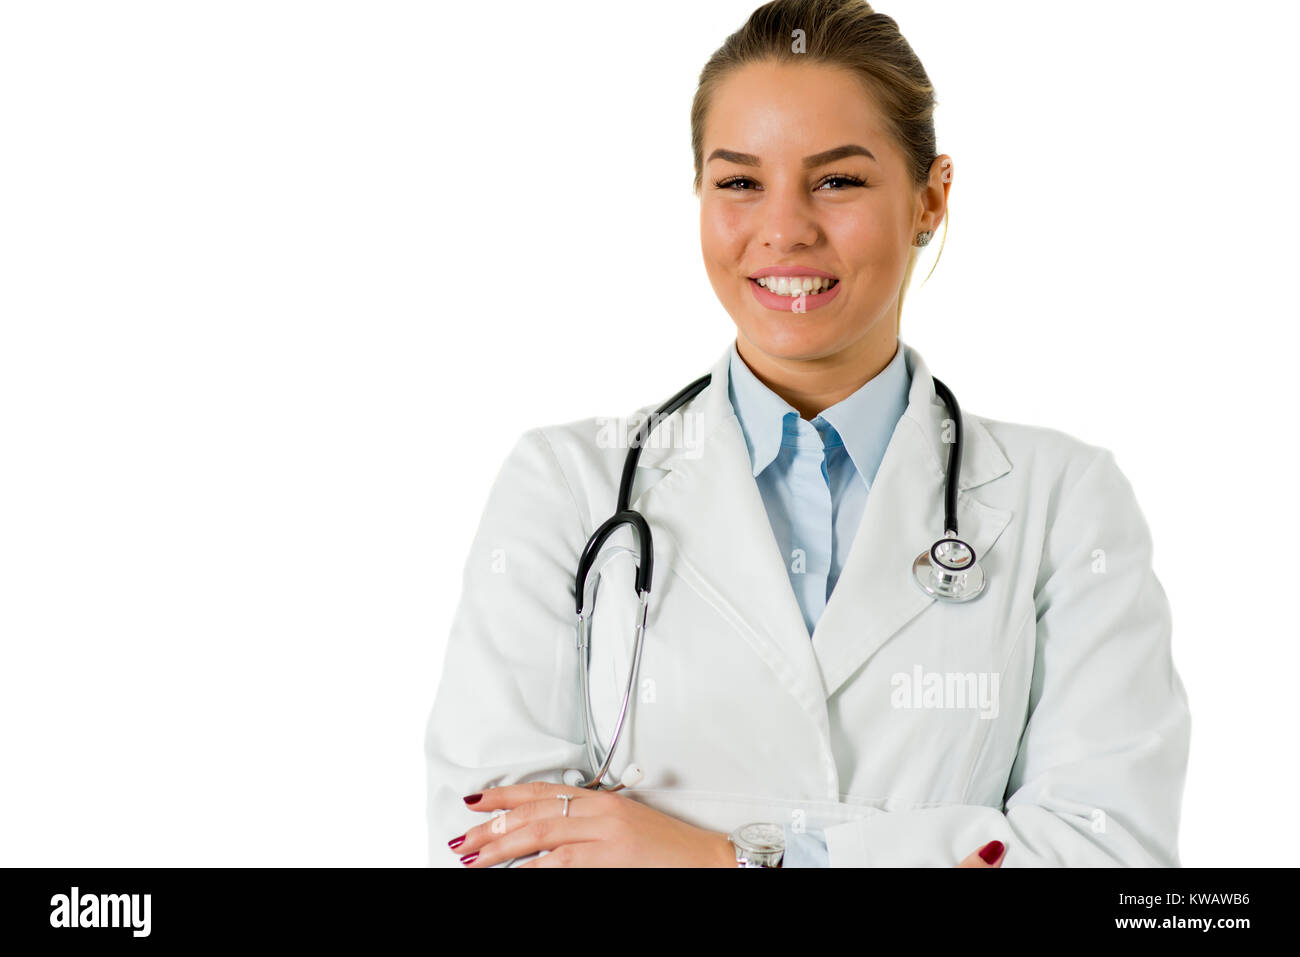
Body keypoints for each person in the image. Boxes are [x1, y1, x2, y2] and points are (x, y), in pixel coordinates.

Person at [424, 0, 1191, 868]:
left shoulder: (1064, 500)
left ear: (931, 198)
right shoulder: (565, 486)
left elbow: (1109, 859)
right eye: (740, 182)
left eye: (837, 180)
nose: (783, 229)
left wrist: (723, 859)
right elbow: (494, 844)